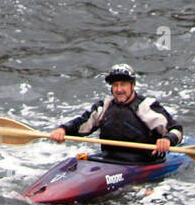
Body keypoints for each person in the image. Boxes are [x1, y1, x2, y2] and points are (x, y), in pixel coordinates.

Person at [48, 63, 183, 164]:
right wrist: (63, 130)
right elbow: (81, 124)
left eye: (123, 84)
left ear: (132, 85)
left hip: (142, 162)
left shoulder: (146, 107)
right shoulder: (104, 106)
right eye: (115, 85)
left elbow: (176, 130)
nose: (119, 89)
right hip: (109, 160)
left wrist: (167, 140)